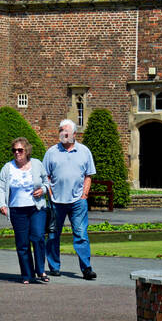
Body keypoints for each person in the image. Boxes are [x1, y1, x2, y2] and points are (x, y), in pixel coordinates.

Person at [43, 119, 97, 280]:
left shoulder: (84, 151)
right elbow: (45, 176)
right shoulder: (51, 152)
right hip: (56, 202)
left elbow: (88, 175)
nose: (63, 134)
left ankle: (86, 268)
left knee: (81, 234)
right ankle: (54, 266)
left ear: (74, 134)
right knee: (53, 234)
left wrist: (84, 195)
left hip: (77, 202)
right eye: (61, 131)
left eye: (66, 132)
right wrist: (50, 195)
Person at [0, 138, 50, 284]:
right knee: (22, 243)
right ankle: (27, 274)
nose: (17, 153)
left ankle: (40, 270)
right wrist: (2, 204)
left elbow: (47, 182)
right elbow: (1, 188)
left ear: (27, 151)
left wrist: (43, 190)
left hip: (36, 208)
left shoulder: (37, 164)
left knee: (38, 236)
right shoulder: (8, 168)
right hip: (16, 210)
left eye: (20, 150)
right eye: (14, 150)